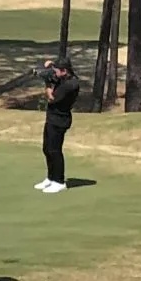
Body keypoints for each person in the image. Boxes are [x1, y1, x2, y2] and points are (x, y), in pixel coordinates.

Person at [38, 56, 79, 192]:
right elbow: (52, 67)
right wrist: (50, 65)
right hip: (52, 118)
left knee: (55, 150)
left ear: (64, 71)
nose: (55, 73)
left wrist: (47, 85)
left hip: (60, 120)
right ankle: (50, 178)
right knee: (46, 148)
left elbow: (51, 98)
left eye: (57, 70)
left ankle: (59, 181)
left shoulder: (70, 85)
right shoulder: (64, 78)